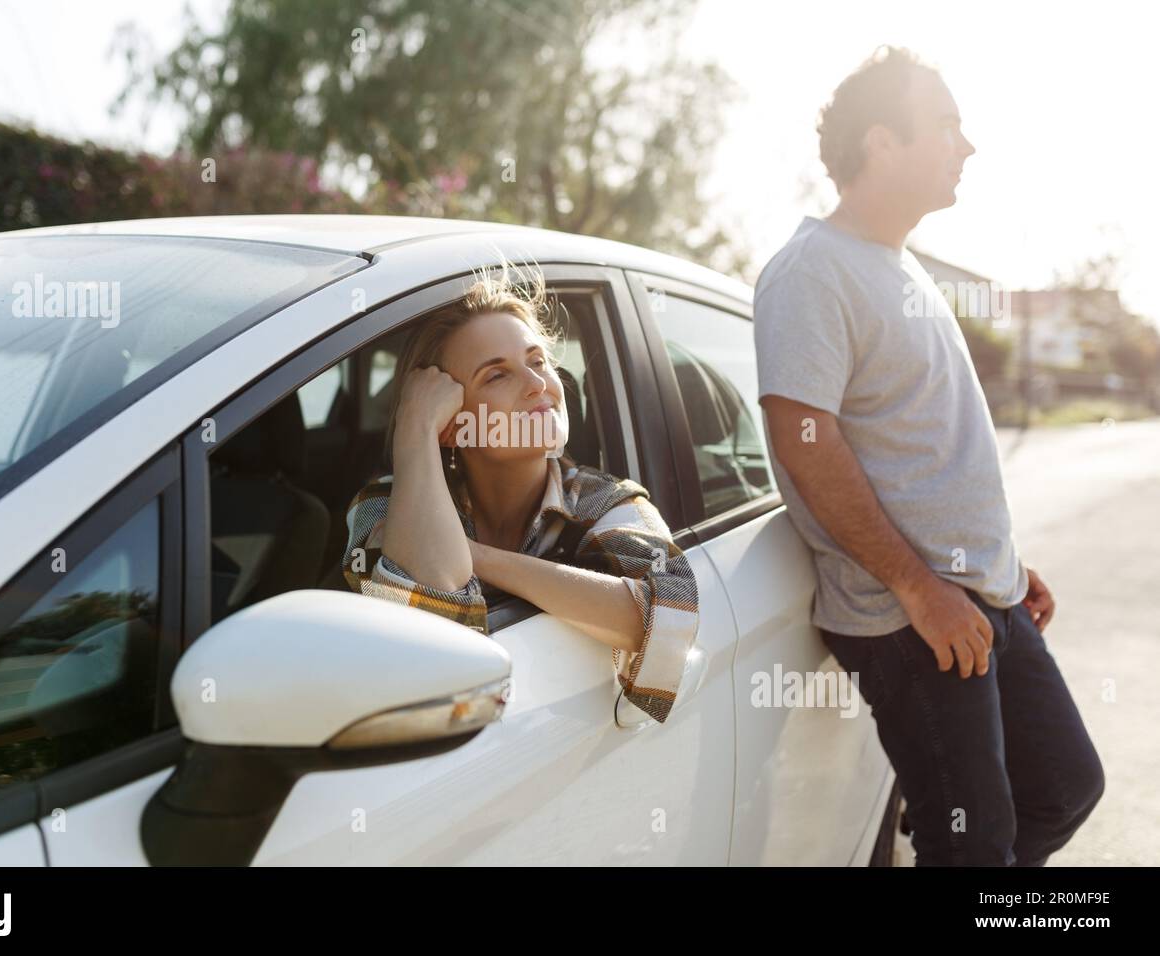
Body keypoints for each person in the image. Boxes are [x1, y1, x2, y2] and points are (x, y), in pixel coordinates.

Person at [752, 46, 1103, 864]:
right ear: (881, 143)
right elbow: (803, 441)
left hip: (985, 594)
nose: (966, 145)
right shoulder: (811, 272)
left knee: (1064, 786)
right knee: (974, 846)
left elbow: (924, 445)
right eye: (946, 125)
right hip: (909, 615)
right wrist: (918, 584)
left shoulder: (899, 266)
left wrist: (1002, 564)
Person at [341, 264, 698, 724]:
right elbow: (423, 622)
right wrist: (416, 428)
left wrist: (476, 556)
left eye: (537, 361)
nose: (538, 385)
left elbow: (665, 616)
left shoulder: (603, 501)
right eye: (497, 376)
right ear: (451, 422)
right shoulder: (385, 505)